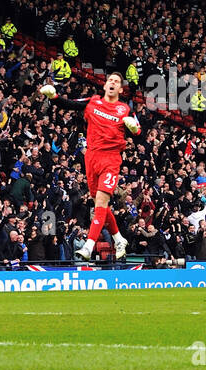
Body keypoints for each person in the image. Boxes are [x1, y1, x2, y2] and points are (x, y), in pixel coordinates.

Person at [39, 72, 139, 261]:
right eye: (110, 80)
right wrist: (54, 96)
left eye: (116, 82)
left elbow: (138, 131)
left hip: (111, 159)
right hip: (91, 157)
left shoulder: (124, 109)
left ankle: (88, 245)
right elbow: (69, 104)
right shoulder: (93, 102)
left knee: (100, 203)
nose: (112, 83)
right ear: (105, 85)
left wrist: (133, 128)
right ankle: (119, 239)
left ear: (120, 89)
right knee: (101, 204)